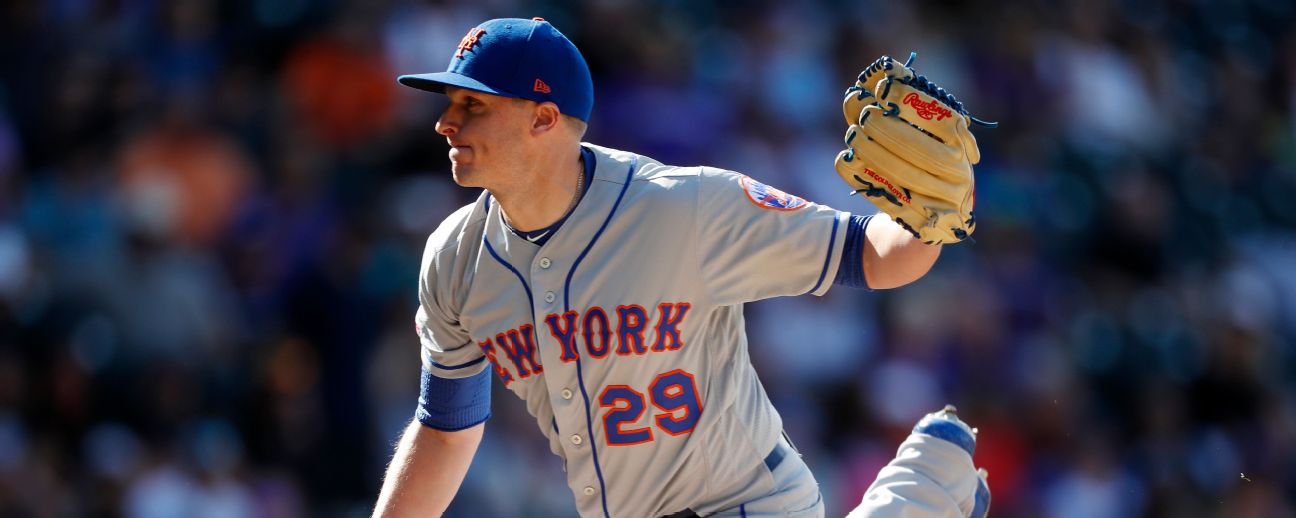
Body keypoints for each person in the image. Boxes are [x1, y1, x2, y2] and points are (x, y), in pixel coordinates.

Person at [372, 17, 982, 518]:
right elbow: (446, 427)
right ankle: (926, 484)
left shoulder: (682, 208)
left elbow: (872, 255)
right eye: (451, 103)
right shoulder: (455, 259)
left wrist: (923, 221)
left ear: (543, 118)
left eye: (473, 105)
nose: (445, 121)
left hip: (747, 501)